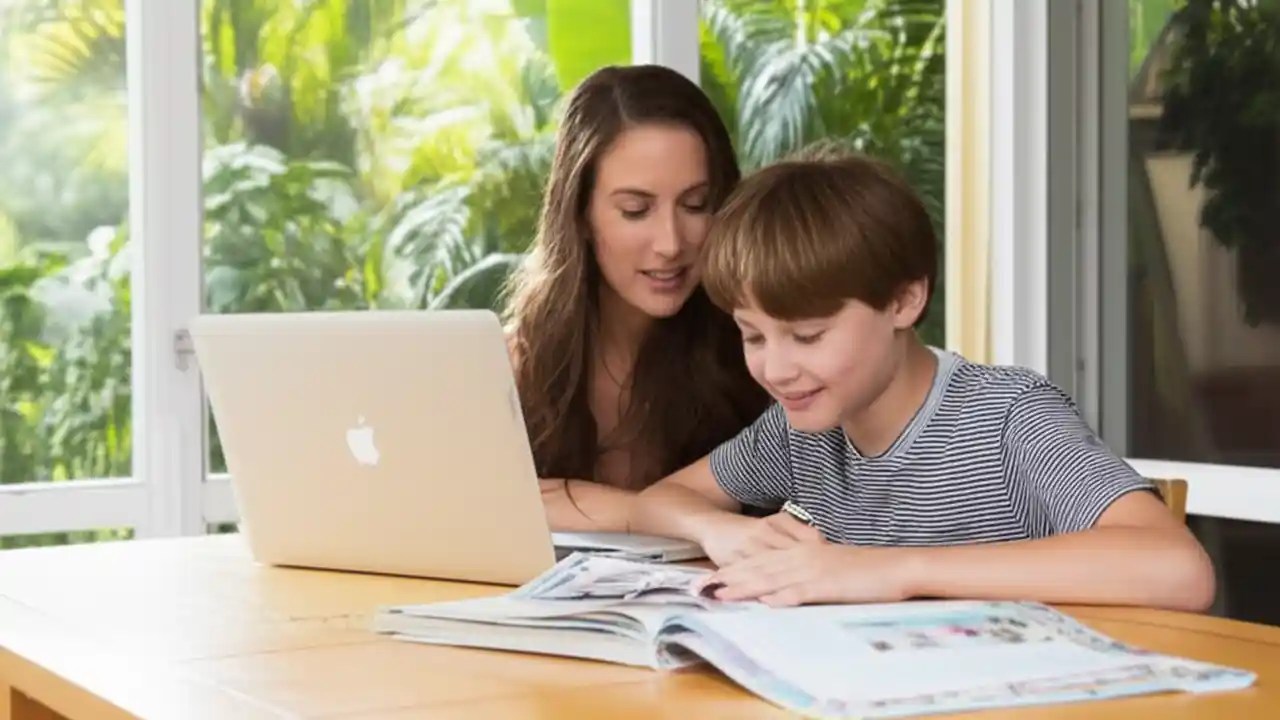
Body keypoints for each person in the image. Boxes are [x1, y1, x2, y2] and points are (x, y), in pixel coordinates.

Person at [627, 154, 1216, 613]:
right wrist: (718, 529)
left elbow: (1179, 569)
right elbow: (657, 504)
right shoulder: (796, 429)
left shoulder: (1010, 416)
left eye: (807, 337)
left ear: (905, 300)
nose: (775, 369)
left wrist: (891, 570)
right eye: (753, 336)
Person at [502, 64, 770, 532]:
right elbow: (485, 504)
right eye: (636, 210)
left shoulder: (763, 352)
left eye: (695, 205)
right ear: (581, 213)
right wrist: (670, 516)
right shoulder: (514, 364)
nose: (670, 242)